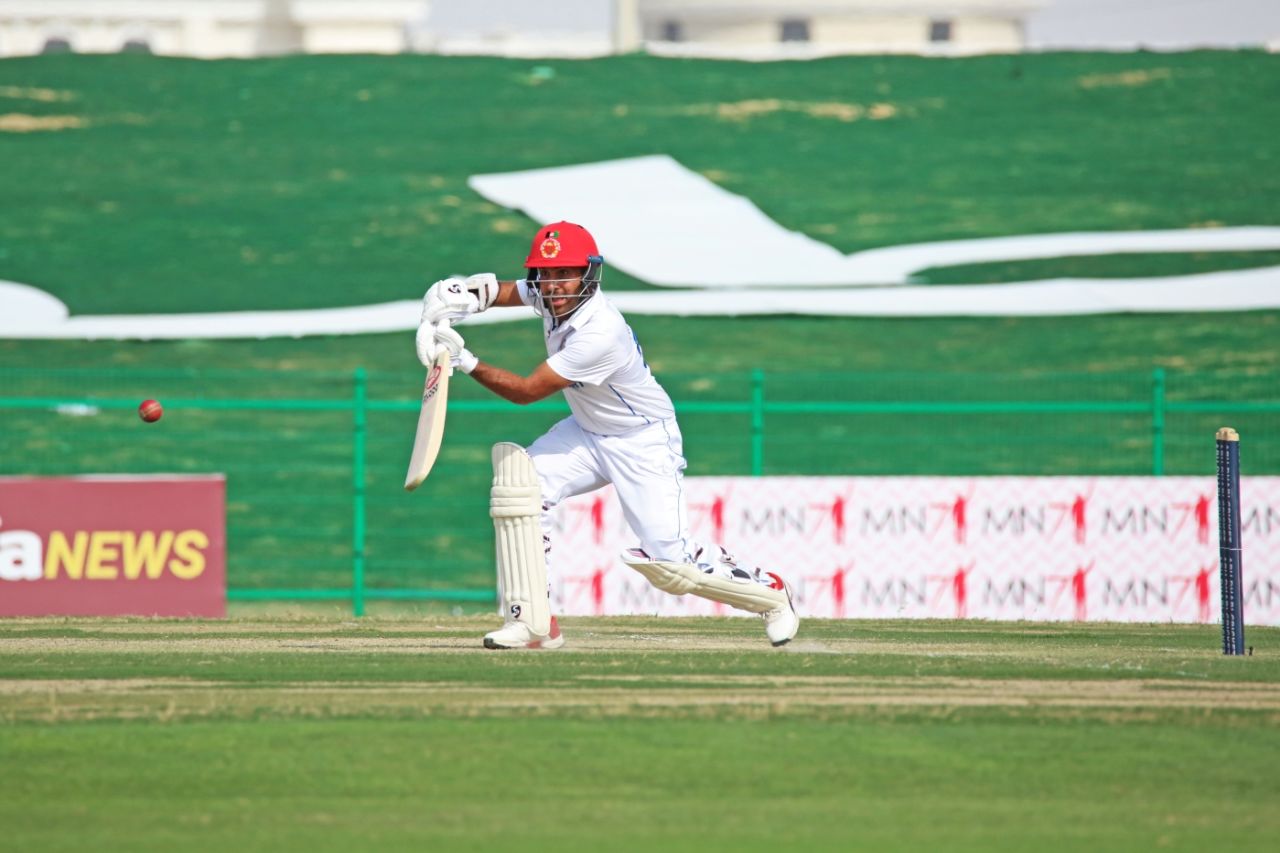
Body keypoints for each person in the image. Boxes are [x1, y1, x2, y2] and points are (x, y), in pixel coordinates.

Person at [416, 221, 799, 650]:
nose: (556, 285)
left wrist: (463, 358)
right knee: (518, 488)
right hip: (586, 433)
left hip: (642, 440)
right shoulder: (550, 294)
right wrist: (465, 295)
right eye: (548, 273)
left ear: (588, 274)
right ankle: (534, 625)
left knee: (672, 565)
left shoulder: (600, 332)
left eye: (566, 273)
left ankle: (771, 595)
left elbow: (526, 392)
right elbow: (510, 291)